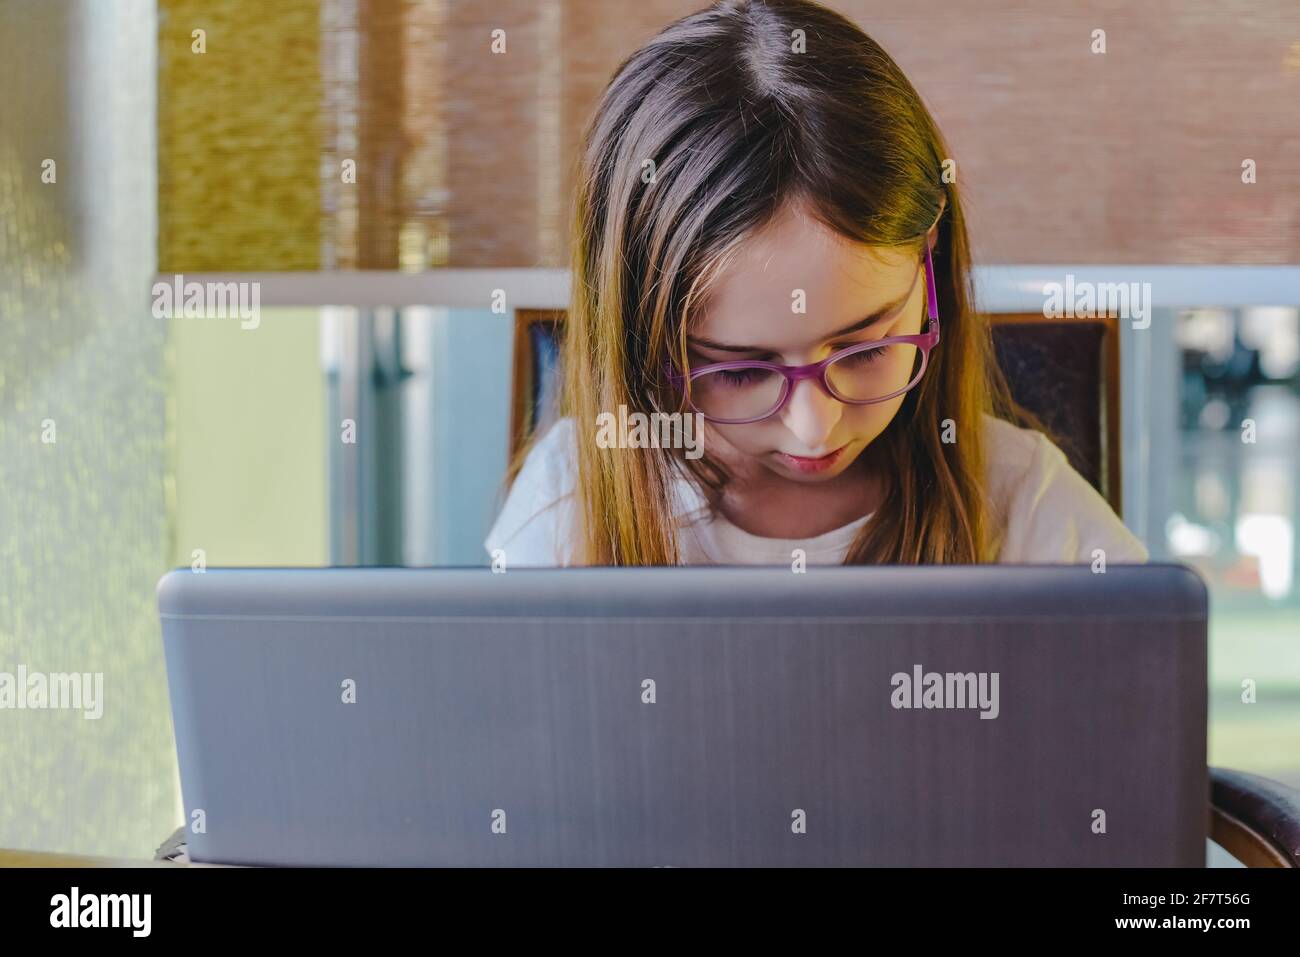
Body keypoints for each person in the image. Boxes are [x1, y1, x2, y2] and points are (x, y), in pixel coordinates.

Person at [486, 0, 1148, 568]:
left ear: (929, 254)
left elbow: (1146, 706)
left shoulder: (1023, 506)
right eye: (741, 371)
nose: (813, 429)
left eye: (863, 352)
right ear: (640, 336)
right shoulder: (564, 507)